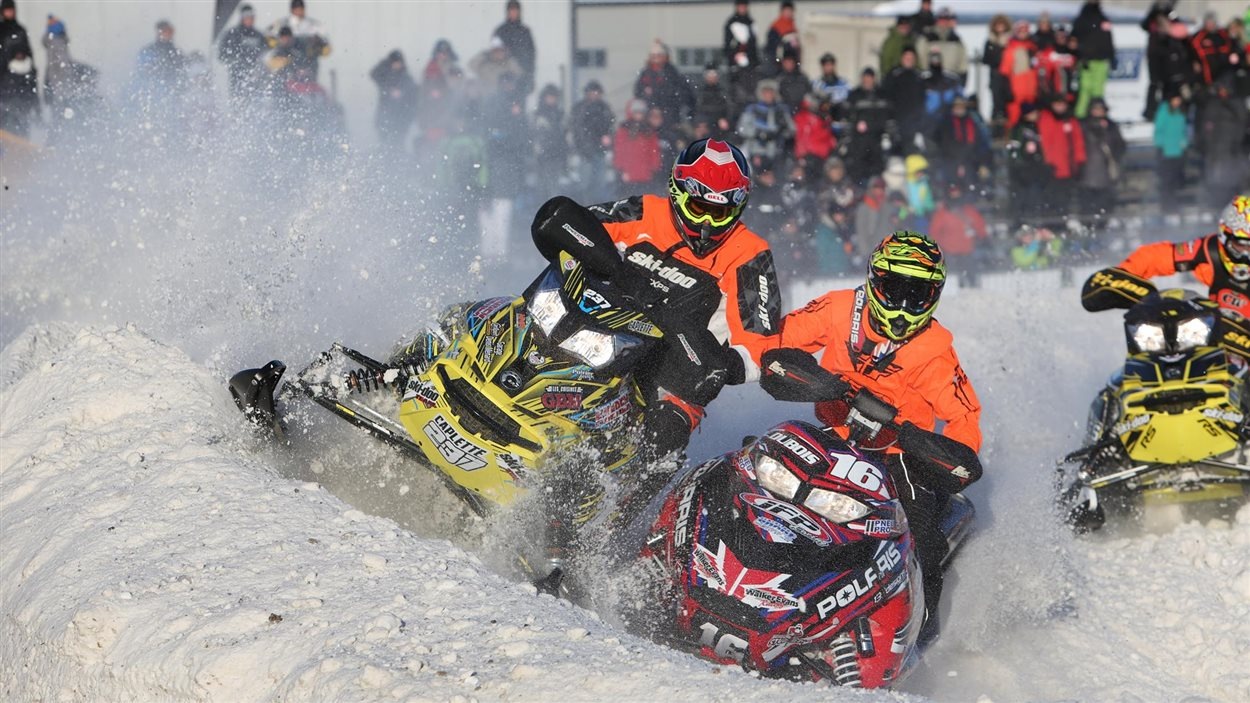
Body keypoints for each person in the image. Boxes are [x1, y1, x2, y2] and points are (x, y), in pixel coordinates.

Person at [758, 230, 982, 646]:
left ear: (934, 297)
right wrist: (812, 378)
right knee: (754, 469)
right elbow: (777, 341)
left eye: (917, 295)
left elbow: (965, 419)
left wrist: (932, 448)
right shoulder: (839, 308)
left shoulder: (936, 351)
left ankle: (919, 634)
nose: (903, 306)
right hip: (827, 436)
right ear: (875, 281)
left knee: (921, 539)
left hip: (897, 456)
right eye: (894, 290)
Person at [554, 139, 782, 460]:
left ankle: (627, 489)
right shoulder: (645, 211)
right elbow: (580, 225)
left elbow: (762, 343)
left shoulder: (750, 253)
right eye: (699, 208)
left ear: (737, 209)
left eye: (719, 213)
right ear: (678, 194)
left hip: (677, 369)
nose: (706, 224)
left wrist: (721, 366)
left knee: (667, 434)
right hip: (604, 326)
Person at [1084, 195, 1250, 318]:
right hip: (1225, 339)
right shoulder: (1209, 249)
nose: (1246, 253)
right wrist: (1121, 277)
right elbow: (1156, 256)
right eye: (1242, 245)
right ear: (1224, 237)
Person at [1078, 98, 1125, 223]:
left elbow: (1120, 145)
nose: (1098, 112)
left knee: (1105, 204)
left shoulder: (1111, 127)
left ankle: (1103, 225)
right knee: (1087, 205)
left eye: (1101, 109)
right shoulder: (1083, 126)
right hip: (1086, 171)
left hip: (1105, 171)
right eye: (1096, 109)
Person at [1038, 95, 1086, 218]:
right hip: (1053, 167)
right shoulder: (1046, 119)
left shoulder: (1071, 120)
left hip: (1069, 167)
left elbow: (1078, 141)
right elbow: (1045, 142)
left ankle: (1062, 220)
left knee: (1065, 197)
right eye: (1057, 104)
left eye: (1062, 104)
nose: (1060, 107)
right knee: (1052, 198)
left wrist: (1080, 161)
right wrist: (1048, 162)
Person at [568, 80, 614, 201]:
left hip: (600, 151)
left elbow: (609, 126)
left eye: (597, 92)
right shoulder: (580, 108)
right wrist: (583, 147)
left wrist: (607, 138)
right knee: (585, 183)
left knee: (599, 183)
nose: (594, 95)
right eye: (592, 92)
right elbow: (576, 129)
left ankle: (595, 206)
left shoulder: (604, 108)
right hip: (585, 152)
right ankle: (585, 205)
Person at [266, 0, 331, 80]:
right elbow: (268, 36)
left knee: (308, 76)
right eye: (296, 9)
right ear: (291, 10)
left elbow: (325, 45)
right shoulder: (282, 23)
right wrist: (277, 43)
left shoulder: (314, 25)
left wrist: (319, 49)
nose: (299, 12)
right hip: (287, 58)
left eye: (301, 9)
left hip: (309, 60)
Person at [634, 40, 694, 126]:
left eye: (659, 56)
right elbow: (638, 92)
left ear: (665, 57)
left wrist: (663, 104)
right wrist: (650, 103)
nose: (656, 59)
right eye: (653, 56)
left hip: (670, 115)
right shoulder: (645, 73)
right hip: (650, 116)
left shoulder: (673, 73)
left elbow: (680, 94)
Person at [736, 78, 795, 165]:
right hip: (757, 151)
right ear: (761, 93)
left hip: (777, 151)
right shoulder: (752, 109)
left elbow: (792, 129)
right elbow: (742, 128)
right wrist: (759, 133)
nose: (768, 95)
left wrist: (781, 131)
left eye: (770, 92)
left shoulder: (781, 110)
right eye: (765, 92)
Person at [1071, 0, 1114, 118]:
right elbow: (1074, 40)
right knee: (1085, 90)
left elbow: (1109, 39)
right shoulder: (1082, 19)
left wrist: (1111, 56)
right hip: (1087, 60)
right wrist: (1081, 55)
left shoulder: (1102, 19)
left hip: (1101, 60)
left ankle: (1096, 115)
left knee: (1097, 91)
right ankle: (1081, 116)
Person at [369, 50, 418, 149]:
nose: (397, 65)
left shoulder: (406, 78)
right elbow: (373, 73)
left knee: (398, 144)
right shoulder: (385, 77)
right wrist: (389, 89)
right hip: (384, 117)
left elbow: (413, 92)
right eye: (394, 62)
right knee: (385, 144)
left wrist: (401, 93)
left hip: (400, 118)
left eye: (399, 62)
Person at [0, 0, 36, 137]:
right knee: (5, 117)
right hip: (4, 82)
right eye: (7, 10)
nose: (9, 12)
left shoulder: (20, 30)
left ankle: (22, 141)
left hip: (21, 83)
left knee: (21, 117)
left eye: (11, 9)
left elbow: (29, 54)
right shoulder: (1, 31)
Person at [217, 4, 267, 99]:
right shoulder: (232, 34)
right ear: (242, 17)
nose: (250, 19)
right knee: (238, 99)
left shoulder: (259, 36)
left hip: (255, 76)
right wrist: (236, 61)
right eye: (247, 17)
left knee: (254, 99)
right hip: (236, 75)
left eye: (252, 17)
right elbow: (222, 55)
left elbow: (266, 54)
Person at [1152, 91, 1188, 211]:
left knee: (1175, 181)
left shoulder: (1180, 112)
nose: (1177, 102)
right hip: (1166, 152)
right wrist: (1161, 147)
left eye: (1179, 99)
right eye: (1175, 99)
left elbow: (1183, 130)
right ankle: (1166, 207)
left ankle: (1174, 205)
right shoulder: (1163, 111)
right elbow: (1159, 130)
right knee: (1166, 182)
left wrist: (1184, 143)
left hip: (1178, 152)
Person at [1000, 20, 1038, 130]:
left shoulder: (1032, 48)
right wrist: (1008, 92)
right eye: (1020, 31)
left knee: (1032, 122)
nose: (1023, 34)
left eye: (1025, 31)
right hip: (1016, 93)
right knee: (1014, 121)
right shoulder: (1011, 49)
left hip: (1031, 93)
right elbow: (1004, 72)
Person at [916, 6, 968, 84]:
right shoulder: (926, 38)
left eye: (949, 19)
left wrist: (961, 82)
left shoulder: (957, 40)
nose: (945, 22)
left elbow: (963, 65)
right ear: (937, 20)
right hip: (929, 82)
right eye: (942, 19)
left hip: (951, 82)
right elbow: (920, 60)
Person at [493, 0, 535, 95]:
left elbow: (531, 56)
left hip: (521, 77)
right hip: (503, 78)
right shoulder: (501, 31)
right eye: (511, 10)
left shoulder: (525, 32)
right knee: (502, 101)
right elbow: (494, 53)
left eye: (515, 10)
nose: (513, 13)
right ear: (507, 12)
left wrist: (530, 77)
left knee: (519, 101)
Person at [763, 0, 800, 74]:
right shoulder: (776, 27)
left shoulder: (792, 26)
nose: (788, 13)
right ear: (781, 11)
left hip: (791, 62)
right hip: (779, 62)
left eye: (790, 11)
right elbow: (772, 47)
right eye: (786, 10)